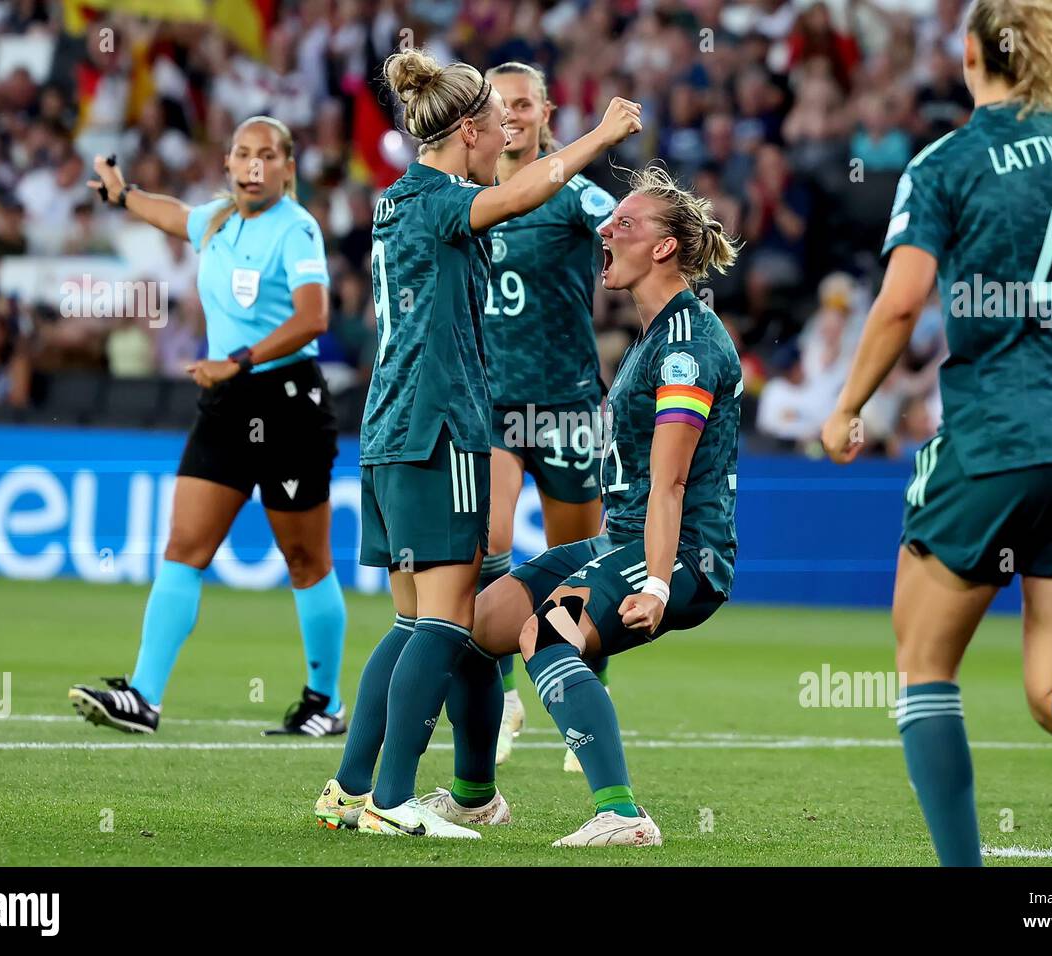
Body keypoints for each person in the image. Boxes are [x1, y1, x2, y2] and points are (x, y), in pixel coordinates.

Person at [820, 0, 1052, 866]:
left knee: (925, 668)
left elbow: (904, 299)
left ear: (968, 54)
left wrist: (846, 406)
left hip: (997, 438)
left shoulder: (947, 161)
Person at [312, 49, 642, 839]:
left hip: (388, 432)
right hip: (443, 430)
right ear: (468, 130)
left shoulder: (396, 199)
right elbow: (527, 190)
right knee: (449, 621)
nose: (508, 135)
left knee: (413, 620)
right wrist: (598, 138)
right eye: (499, 121)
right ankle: (394, 799)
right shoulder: (439, 201)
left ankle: (353, 788)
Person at [421, 166, 742, 846]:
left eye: (624, 223)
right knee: (476, 625)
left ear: (663, 248)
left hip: (684, 554)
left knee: (550, 631)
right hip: (620, 541)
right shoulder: (649, 337)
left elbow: (671, 484)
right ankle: (477, 797)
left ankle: (622, 814)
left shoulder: (687, 345)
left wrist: (656, 583)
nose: (605, 229)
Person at [68, 114, 350, 738]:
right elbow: (171, 213)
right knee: (185, 548)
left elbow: (314, 317)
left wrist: (239, 360)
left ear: (287, 167)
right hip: (225, 404)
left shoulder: (297, 230)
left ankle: (324, 703)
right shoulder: (218, 219)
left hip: (287, 405)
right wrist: (123, 195)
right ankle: (143, 697)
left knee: (306, 559)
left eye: (266, 155)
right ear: (227, 163)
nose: (253, 165)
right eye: (242, 153)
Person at [478, 62, 617, 769]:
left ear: (545, 113)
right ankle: (502, 696)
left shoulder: (571, 192)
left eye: (523, 103)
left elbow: (619, 227)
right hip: (494, 404)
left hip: (566, 406)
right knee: (490, 540)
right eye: (499, 104)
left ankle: (585, 684)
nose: (511, 115)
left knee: (582, 561)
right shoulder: (468, 192)